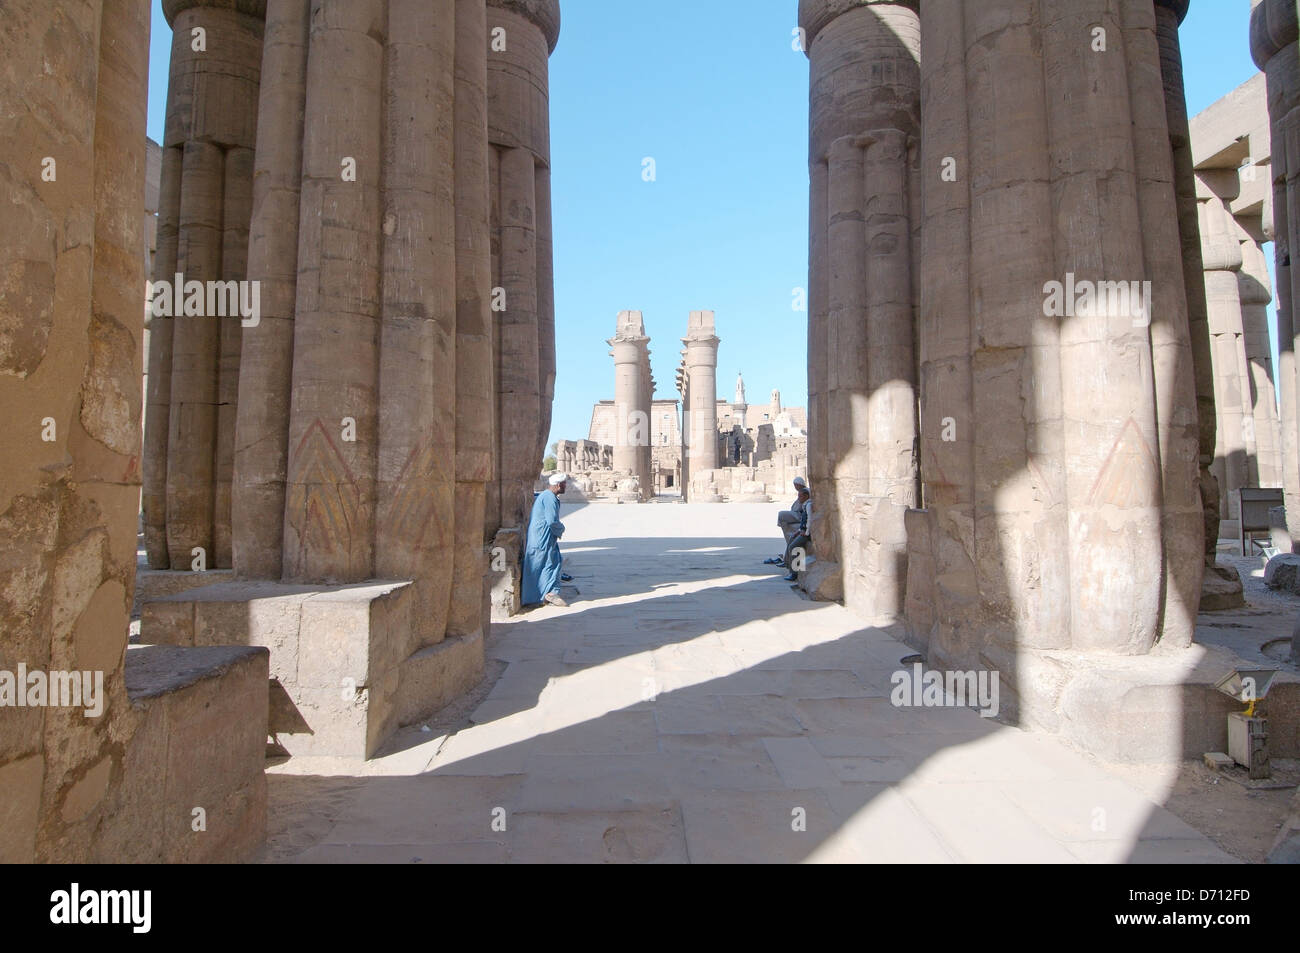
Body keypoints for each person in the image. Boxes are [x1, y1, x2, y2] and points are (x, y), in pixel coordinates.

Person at [523, 472, 569, 607]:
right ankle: (549, 594)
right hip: (543, 538)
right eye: (564, 484)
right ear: (559, 485)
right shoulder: (550, 498)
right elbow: (551, 521)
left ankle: (543, 594)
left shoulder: (546, 495)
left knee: (545, 563)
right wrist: (561, 529)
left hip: (541, 537)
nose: (566, 486)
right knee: (550, 564)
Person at [766, 477, 810, 567]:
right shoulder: (806, 502)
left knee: (793, 545)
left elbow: (809, 520)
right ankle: (790, 567)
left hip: (804, 530)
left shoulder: (808, 505)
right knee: (791, 542)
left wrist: (805, 531)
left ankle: (793, 571)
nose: (799, 498)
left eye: (800, 497)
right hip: (802, 529)